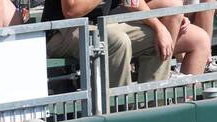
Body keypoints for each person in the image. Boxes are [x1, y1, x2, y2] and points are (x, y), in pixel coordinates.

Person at [41, 0, 171, 89]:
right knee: (117, 41)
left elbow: (132, 2)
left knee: (155, 39)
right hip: (62, 30)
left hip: (102, 26)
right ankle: (118, 112)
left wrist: (158, 27)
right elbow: (70, 11)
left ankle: (151, 109)